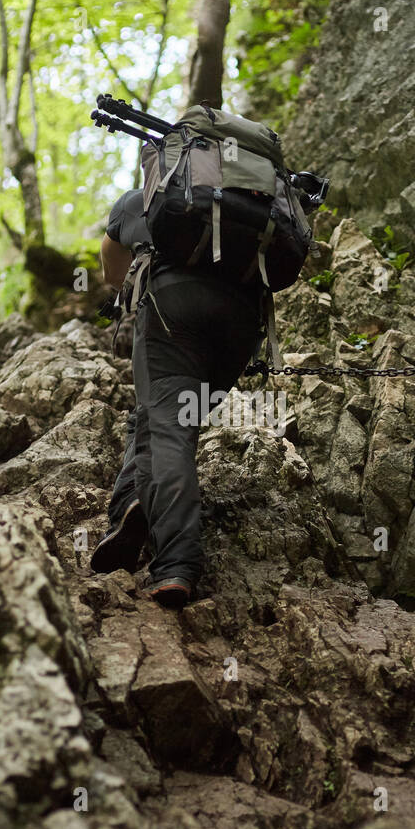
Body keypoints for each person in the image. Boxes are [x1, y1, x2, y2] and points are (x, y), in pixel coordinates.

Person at [90, 188, 265, 609]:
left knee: (168, 427)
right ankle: (131, 501)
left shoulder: (147, 198)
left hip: (176, 308)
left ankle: (176, 564)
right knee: (162, 415)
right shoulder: (253, 203)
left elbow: (113, 274)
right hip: (243, 322)